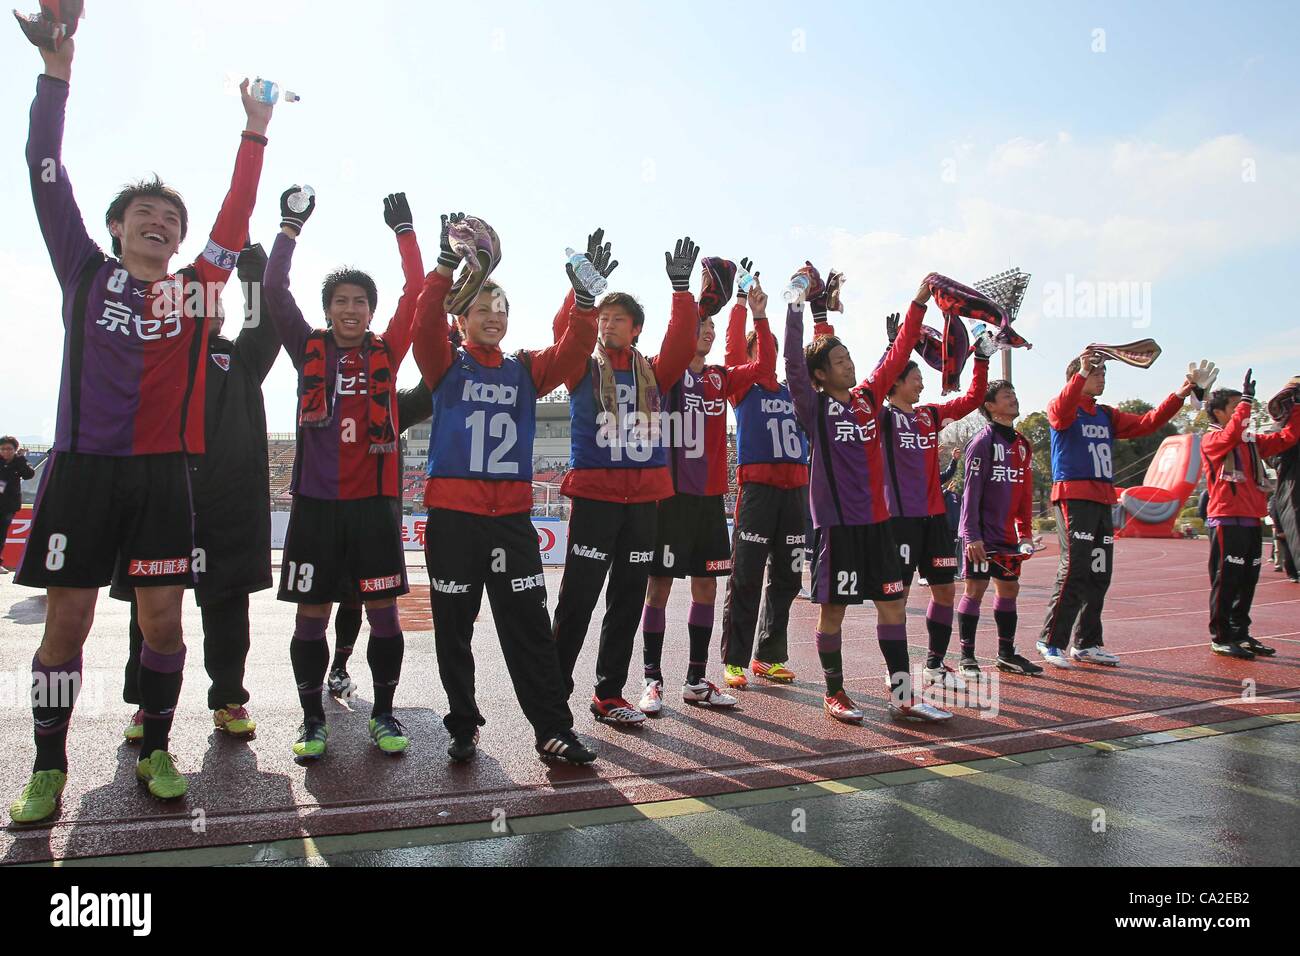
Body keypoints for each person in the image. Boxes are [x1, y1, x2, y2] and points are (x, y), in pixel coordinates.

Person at [9, 32, 271, 825]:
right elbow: (43, 169)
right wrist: (57, 72)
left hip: (164, 477)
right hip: (82, 471)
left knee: (161, 621)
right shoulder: (84, 272)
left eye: (170, 218)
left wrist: (255, 128)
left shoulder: (197, 291)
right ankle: (48, 765)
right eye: (144, 214)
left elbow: (236, 214)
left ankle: (157, 744)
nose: (159, 222)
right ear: (117, 227)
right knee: (69, 623)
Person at [409, 219, 602, 764]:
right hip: (454, 520)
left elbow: (569, 357)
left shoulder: (522, 369)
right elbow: (425, 323)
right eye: (483, 309)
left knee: (530, 630)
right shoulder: (446, 362)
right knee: (454, 628)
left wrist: (584, 303)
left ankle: (552, 728)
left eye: (502, 309)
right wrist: (445, 267)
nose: (494, 316)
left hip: (511, 521)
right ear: (463, 317)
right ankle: (463, 722)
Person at [262, 188, 424, 760]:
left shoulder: (389, 349)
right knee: (312, 614)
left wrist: (405, 231)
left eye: (360, 301)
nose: (350, 309)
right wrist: (289, 228)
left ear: (371, 312)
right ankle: (311, 721)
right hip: (315, 506)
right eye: (341, 301)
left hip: (374, 510)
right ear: (328, 308)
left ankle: (383, 713)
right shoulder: (306, 347)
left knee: (384, 615)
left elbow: (417, 292)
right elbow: (274, 291)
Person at [117, 243, 280, 744]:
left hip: (228, 508)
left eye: (215, 301)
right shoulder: (153, 352)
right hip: (162, 499)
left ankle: (229, 700)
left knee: (228, 611)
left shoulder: (241, 357)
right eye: (195, 300)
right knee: (147, 611)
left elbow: (265, 324)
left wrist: (252, 265)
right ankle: (147, 705)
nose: (206, 307)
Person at [786, 273, 952, 724]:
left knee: (893, 604)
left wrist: (918, 304)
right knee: (834, 612)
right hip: (837, 527)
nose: (848, 363)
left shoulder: (867, 399)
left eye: (849, 356)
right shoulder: (813, 405)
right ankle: (834, 692)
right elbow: (793, 363)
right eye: (839, 360)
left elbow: (897, 353)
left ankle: (902, 693)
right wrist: (793, 306)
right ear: (821, 374)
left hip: (880, 524)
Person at [550, 237, 701, 725]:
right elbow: (563, 331)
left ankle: (608, 693)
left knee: (627, 600)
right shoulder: (579, 366)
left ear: (636, 329)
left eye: (618, 319)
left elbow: (681, 340)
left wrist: (681, 291)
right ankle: (553, 693)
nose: (607, 324)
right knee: (577, 600)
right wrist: (581, 293)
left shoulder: (654, 372)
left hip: (643, 505)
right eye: (603, 318)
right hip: (595, 498)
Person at [639, 258, 770, 714]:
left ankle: (696, 678)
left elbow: (763, 363)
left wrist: (752, 310)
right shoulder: (666, 371)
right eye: (701, 325)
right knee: (657, 587)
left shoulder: (718, 378)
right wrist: (688, 300)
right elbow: (675, 340)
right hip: (670, 499)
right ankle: (651, 678)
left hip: (709, 501)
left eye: (712, 327)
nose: (708, 332)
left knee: (706, 588)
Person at [1036, 350, 1197, 669]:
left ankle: (1087, 643)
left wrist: (1179, 394)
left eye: (1103, 375)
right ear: (1077, 377)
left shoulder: (1105, 414)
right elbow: (1060, 414)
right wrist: (1081, 373)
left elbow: (1147, 423)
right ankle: (1051, 640)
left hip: (1102, 499)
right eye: (1097, 374)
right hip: (1074, 496)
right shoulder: (1062, 406)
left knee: (1099, 572)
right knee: (1074, 567)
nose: (1103, 379)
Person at [879, 322, 991, 689]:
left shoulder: (929, 415)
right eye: (914, 378)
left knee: (946, 591)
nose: (922, 383)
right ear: (896, 382)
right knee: (898, 597)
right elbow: (874, 383)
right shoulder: (881, 418)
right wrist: (895, 346)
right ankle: (895, 673)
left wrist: (983, 360)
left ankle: (934, 665)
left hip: (935, 519)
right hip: (898, 521)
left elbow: (973, 399)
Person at [719, 262, 810, 690]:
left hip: (795, 495)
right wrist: (744, 305)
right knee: (746, 575)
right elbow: (733, 348)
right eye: (763, 345)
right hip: (757, 492)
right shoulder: (744, 385)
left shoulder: (796, 393)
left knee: (789, 577)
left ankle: (768, 655)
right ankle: (734, 659)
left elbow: (798, 353)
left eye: (773, 345)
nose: (770, 352)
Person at [327, 379, 434, 699]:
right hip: (326, 514)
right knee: (316, 603)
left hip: (373, 520)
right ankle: (312, 692)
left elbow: (425, 397)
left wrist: (447, 338)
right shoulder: (320, 392)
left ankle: (339, 667)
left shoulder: (389, 401)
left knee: (357, 599)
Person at [1201, 374, 1300, 658]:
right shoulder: (1213, 439)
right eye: (1235, 407)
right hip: (1226, 518)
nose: (1243, 413)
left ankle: (1240, 634)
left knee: (1247, 580)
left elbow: (1287, 438)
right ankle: (1220, 636)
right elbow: (1231, 433)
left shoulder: (1251, 442)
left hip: (1251, 518)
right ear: (1219, 413)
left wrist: (1295, 407)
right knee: (1227, 578)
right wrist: (1247, 400)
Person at [955, 380, 1044, 677]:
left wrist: (1026, 534)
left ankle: (1006, 654)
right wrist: (971, 535)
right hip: (981, 536)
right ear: (990, 405)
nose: (1014, 400)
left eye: (1015, 395)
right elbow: (970, 493)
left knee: (1009, 589)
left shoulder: (1022, 444)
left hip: (1007, 538)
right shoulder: (982, 442)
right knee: (975, 590)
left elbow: (1025, 494)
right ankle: (967, 656)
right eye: (1007, 396)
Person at [0, 438, 36, 574]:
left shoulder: (19, 461)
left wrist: (20, 459)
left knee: (1, 533)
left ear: (15, 450)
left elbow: (29, 474)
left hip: (9, 504)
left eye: (9, 449)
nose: (5, 452)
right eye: (3, 449)